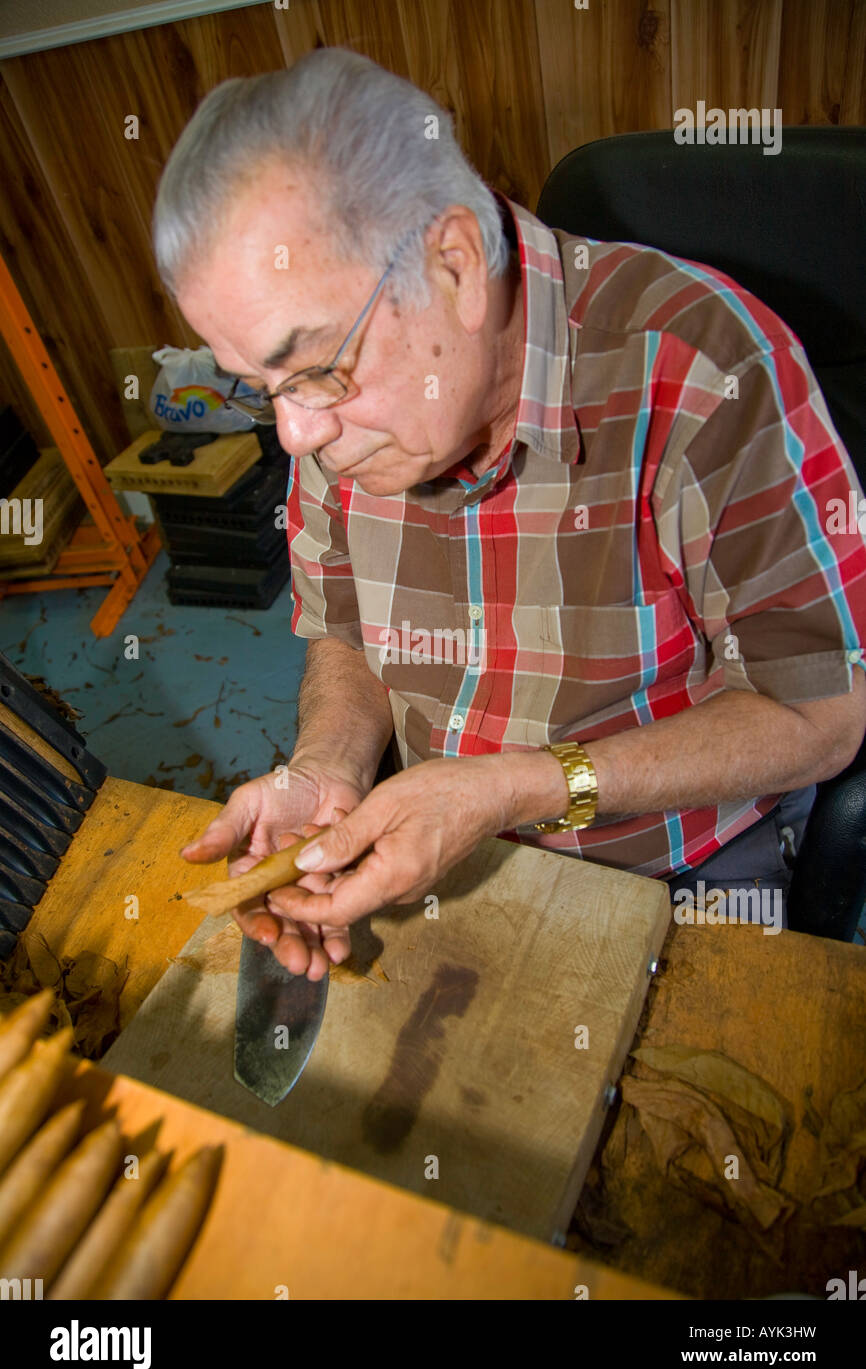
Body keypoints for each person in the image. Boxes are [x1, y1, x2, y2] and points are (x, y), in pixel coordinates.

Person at [152, 49, 866, 978]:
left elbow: (819, 717)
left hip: (671, 867)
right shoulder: (336, 413)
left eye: (316, 366)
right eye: (259, 387)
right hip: (435, 828)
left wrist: (512, 789)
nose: (295, 433)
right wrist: (326, 769)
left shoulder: (704, 370)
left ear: (452, 263)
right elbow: (346, 632)